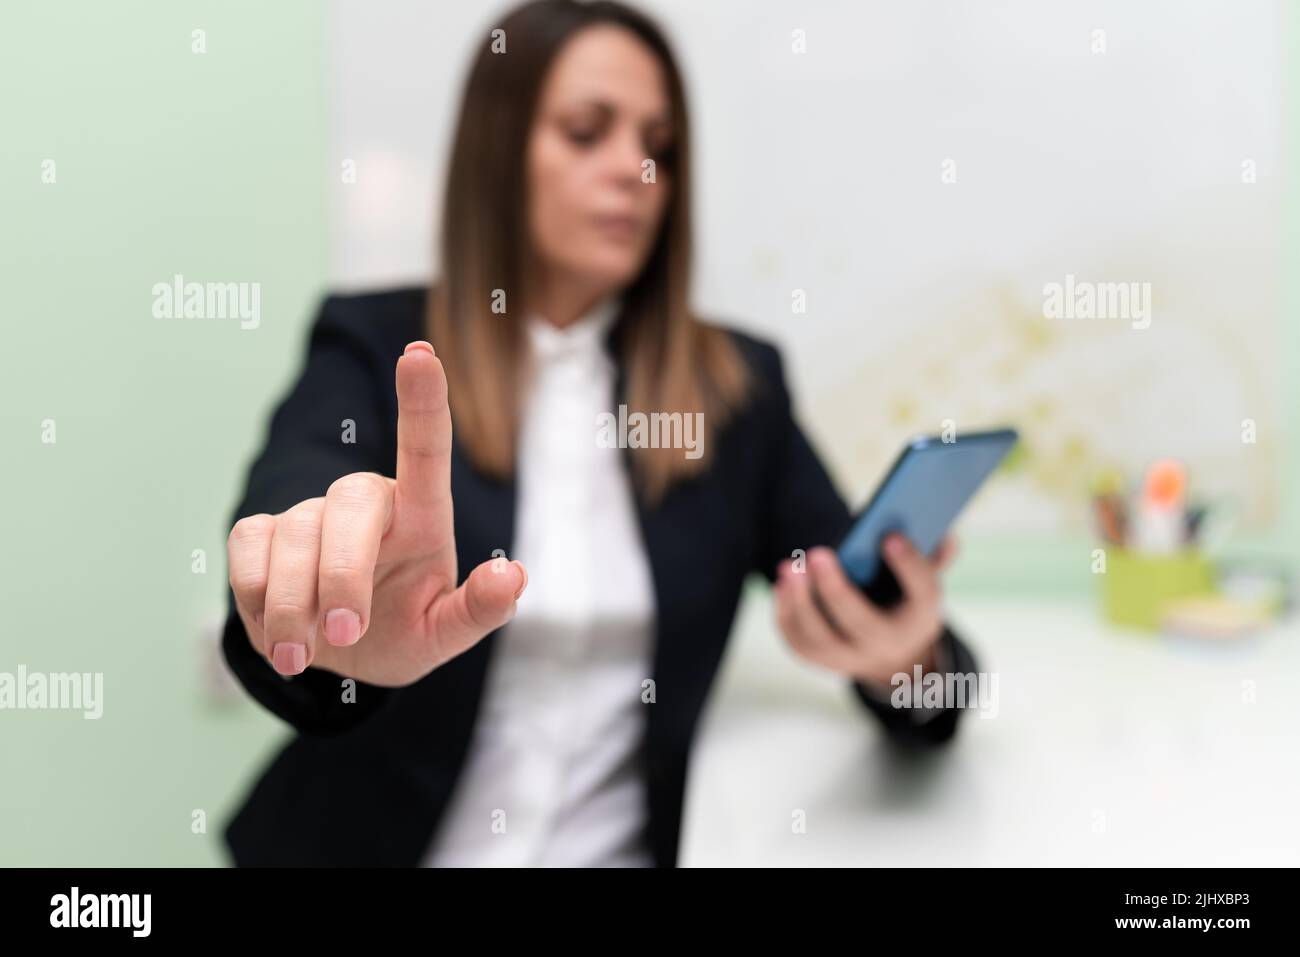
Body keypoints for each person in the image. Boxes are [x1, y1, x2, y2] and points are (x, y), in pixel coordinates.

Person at [221, 0, 977, 867]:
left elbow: (902, 652)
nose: (636, 171)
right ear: (498, 155)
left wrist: (906, 657)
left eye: (660, 146)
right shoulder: (373, 345)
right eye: (588, 132)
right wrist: (324, 610)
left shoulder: (736, 389)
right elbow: (293, 514)